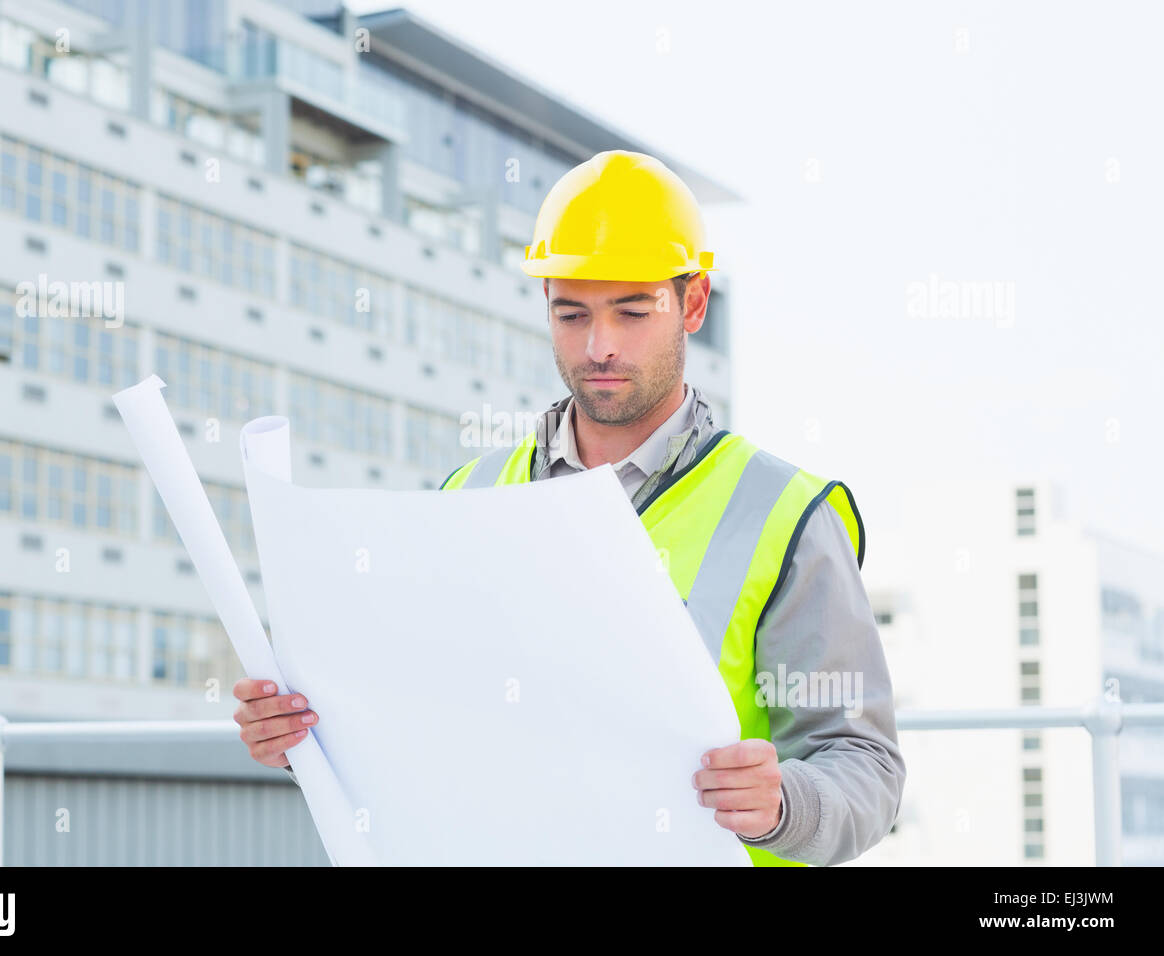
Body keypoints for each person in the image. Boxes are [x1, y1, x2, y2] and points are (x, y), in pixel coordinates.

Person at [234, 149, 905, 866]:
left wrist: (784, 805)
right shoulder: (467, 496)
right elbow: (412, 717)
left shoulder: (786, 514)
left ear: (695, 302)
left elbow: (865, 765)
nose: (599, 346)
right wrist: (301, 732)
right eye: (572, 312)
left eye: (632, 310)